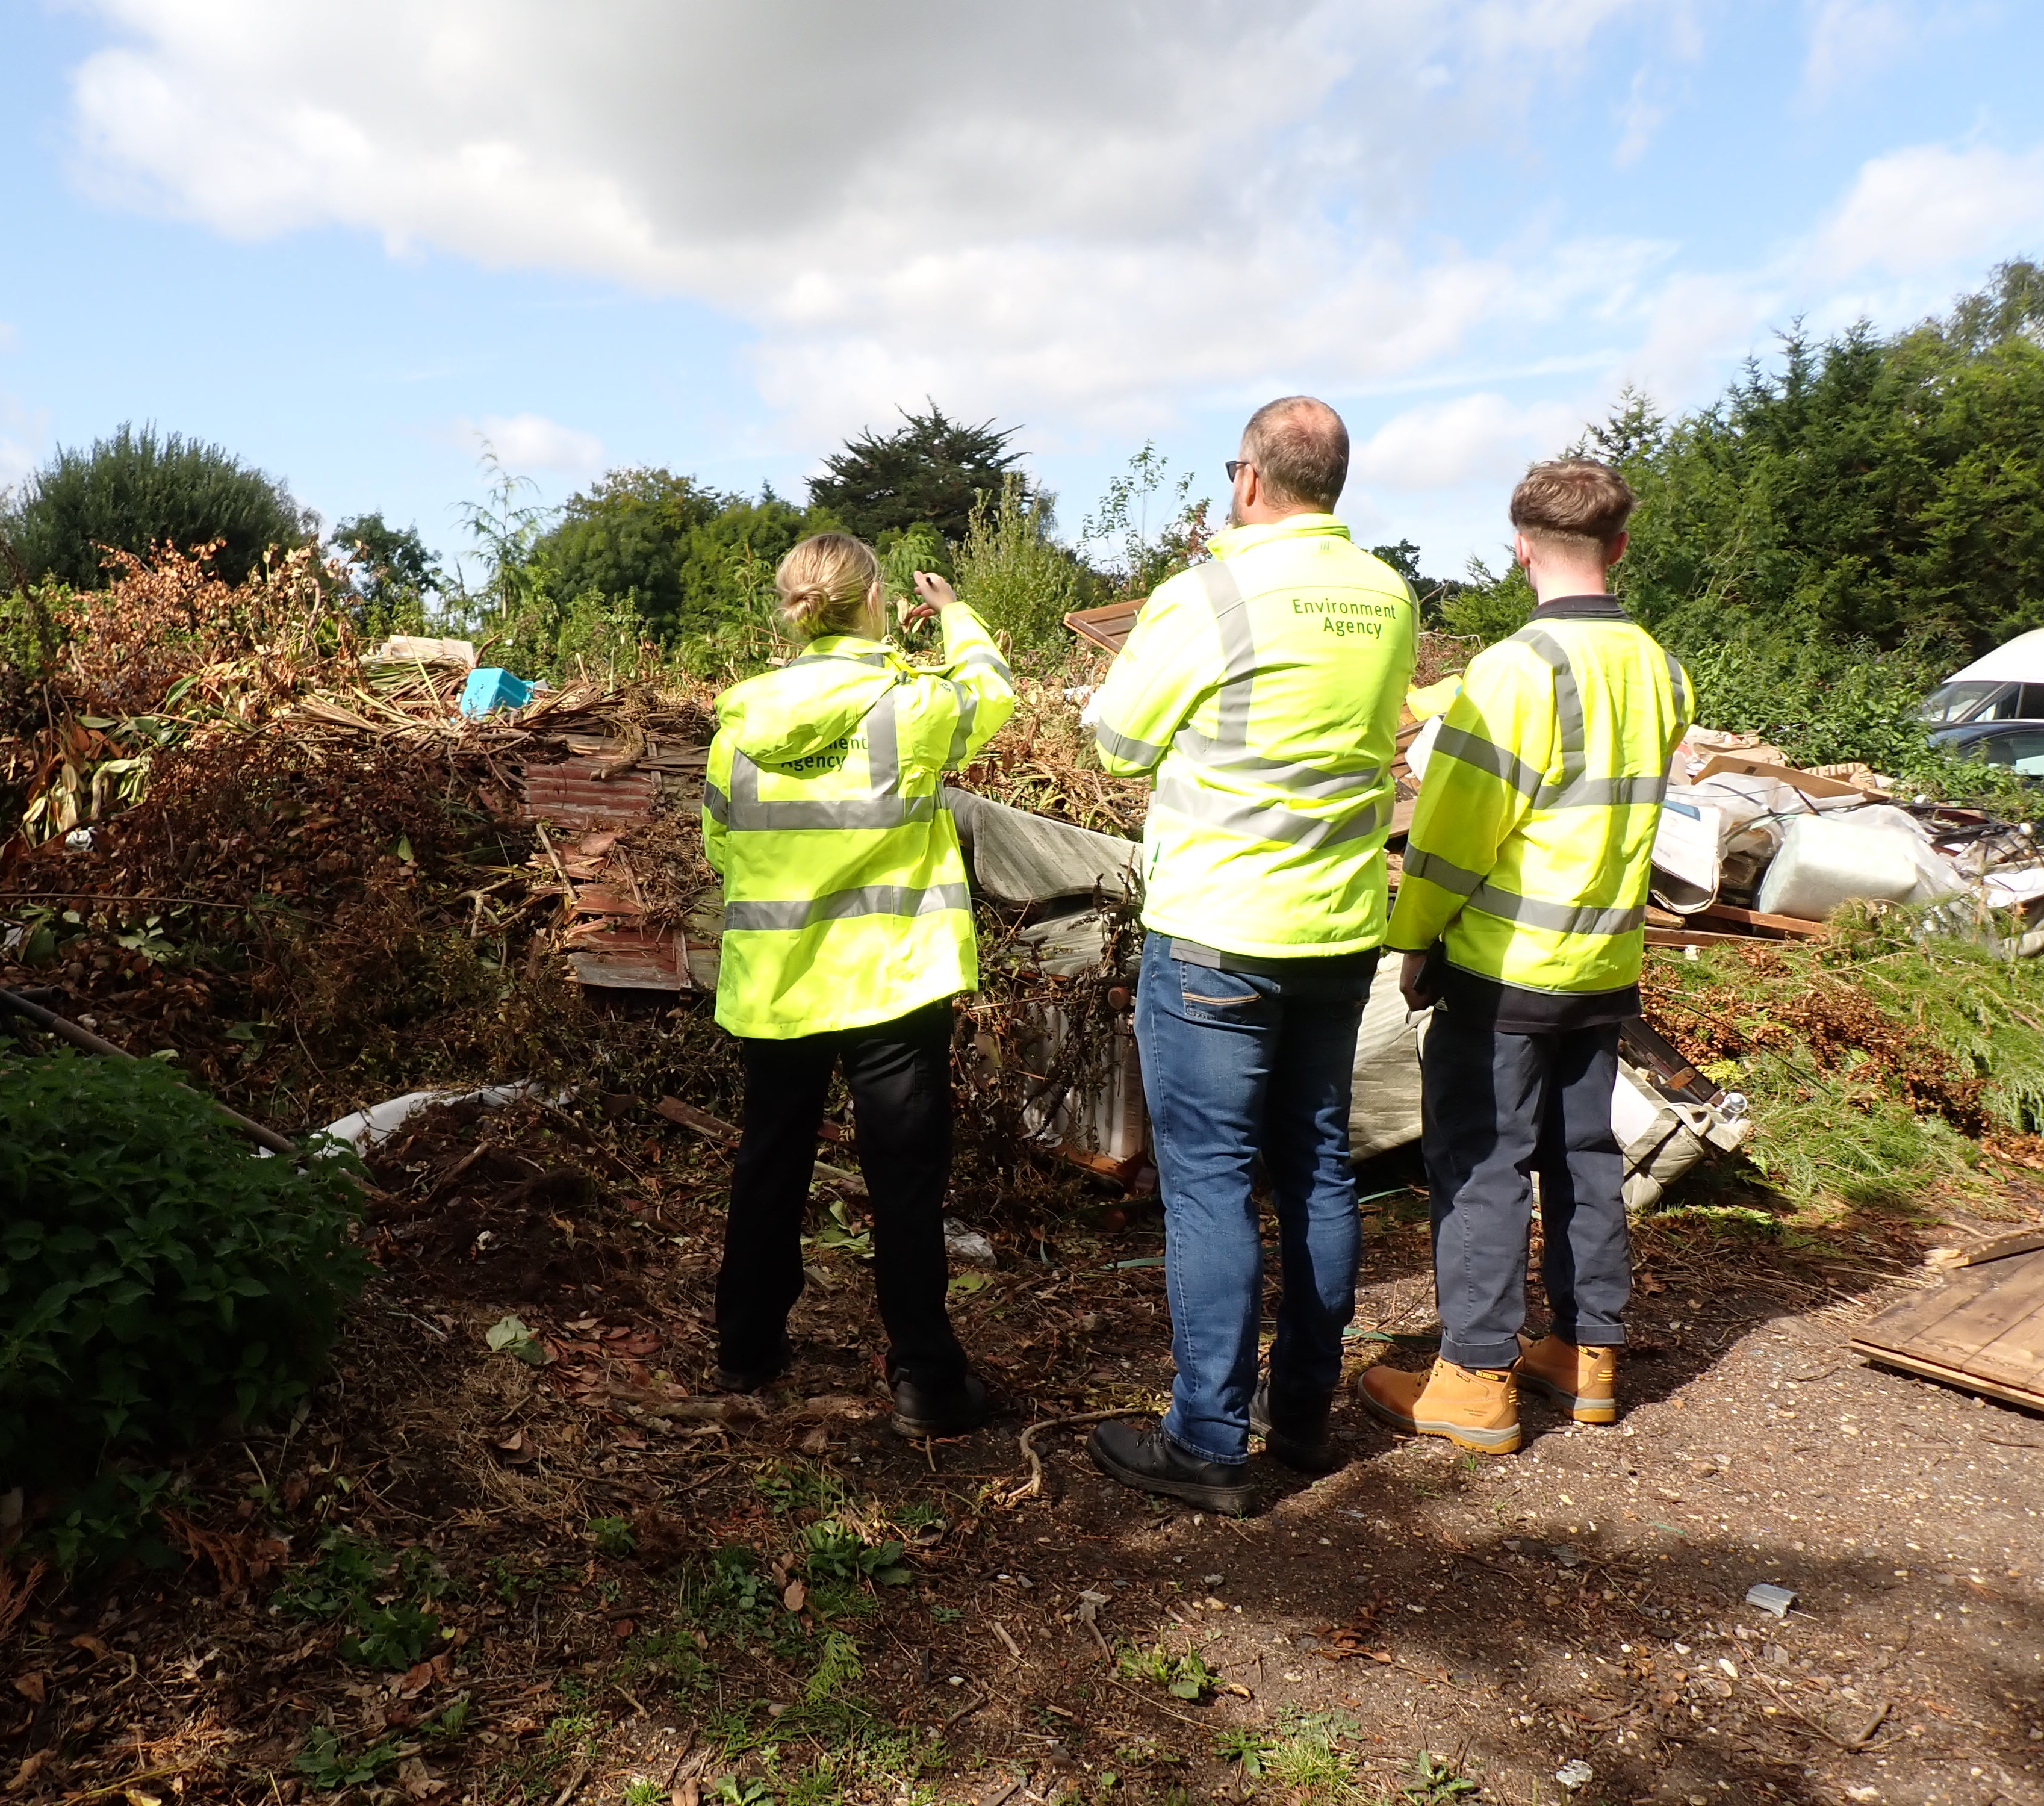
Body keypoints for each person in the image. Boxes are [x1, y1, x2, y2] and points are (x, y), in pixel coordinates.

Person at [1082, 397, 1418, 1512]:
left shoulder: (1211, 591)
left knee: (1213, 1185)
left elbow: (1120, 741)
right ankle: (1302, 1416)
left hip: (1222, 930)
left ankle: (1209, 1441)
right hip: (1337, 929)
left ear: (1250, 480)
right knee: (1322, 1167)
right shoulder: (1387, 597)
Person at [1358, 459, 1691, 1454]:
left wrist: (1414, 941)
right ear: (1620, 547)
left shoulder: (1515, 669)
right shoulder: (1660, 667)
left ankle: (1474, 1379)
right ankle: (1586, 1357)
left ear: (1519, 546)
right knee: (1584, 1157)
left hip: (1506, 970)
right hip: (1603, 969)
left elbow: (1454, 835)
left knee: (1480, 1164)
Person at [702, 531, 1014, 1438]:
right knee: (905, 1183)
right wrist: (956, 614)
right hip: (893, 980)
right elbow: (993, 694)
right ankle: (926, 1381)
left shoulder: (739, 727)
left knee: (769, 1164)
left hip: (779, 986)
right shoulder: (910, 709)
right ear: (875, 599)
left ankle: (746, 1350)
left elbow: (722, 847)